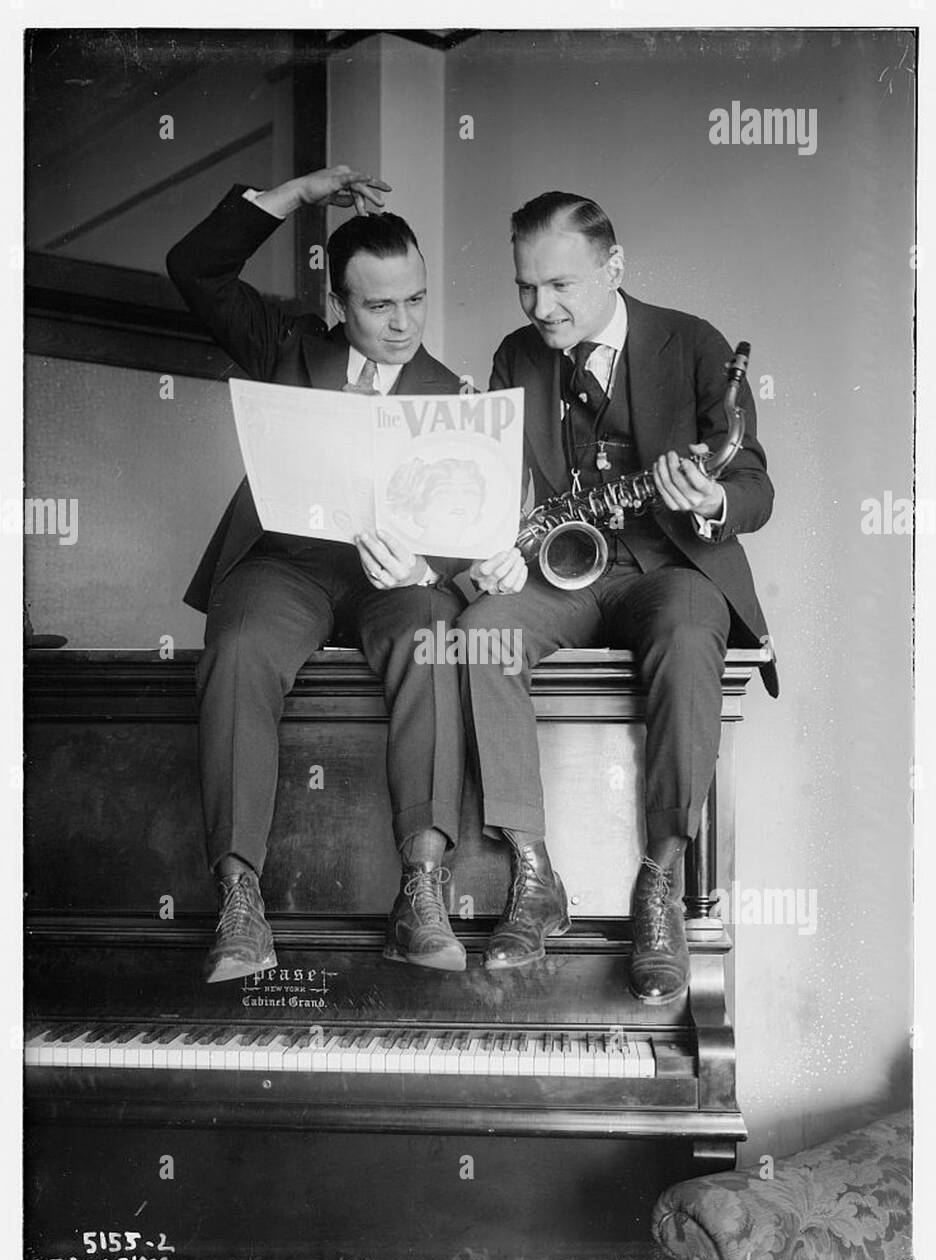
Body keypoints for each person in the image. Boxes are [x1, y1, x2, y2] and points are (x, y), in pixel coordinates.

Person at [166, 165, 522, 982]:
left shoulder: (459, 398)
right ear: (337, 304)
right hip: (285, 568)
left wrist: (431, 564)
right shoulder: (288, 348)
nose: (404, 324)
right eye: (378, 305)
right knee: (241, 646)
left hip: (397, 584)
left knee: (436, 634)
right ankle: (239, 901)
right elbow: (195, 269)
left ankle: (422, 887)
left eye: (415, 300)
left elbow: (486, 543)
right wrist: (296, 194)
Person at [453, 190, 777, 1001]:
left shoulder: (696, 345)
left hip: (669, 567)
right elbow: (494, 489)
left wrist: (711, 501)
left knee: (689, 625)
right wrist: (489, 550)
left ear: (614, 269)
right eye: (526, 286)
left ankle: (659, 882)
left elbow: (754, 484)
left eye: (561, 285)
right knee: (482, 629)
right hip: (563, 572)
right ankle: (535, 877)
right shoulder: (515, 356)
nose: (541, 306)